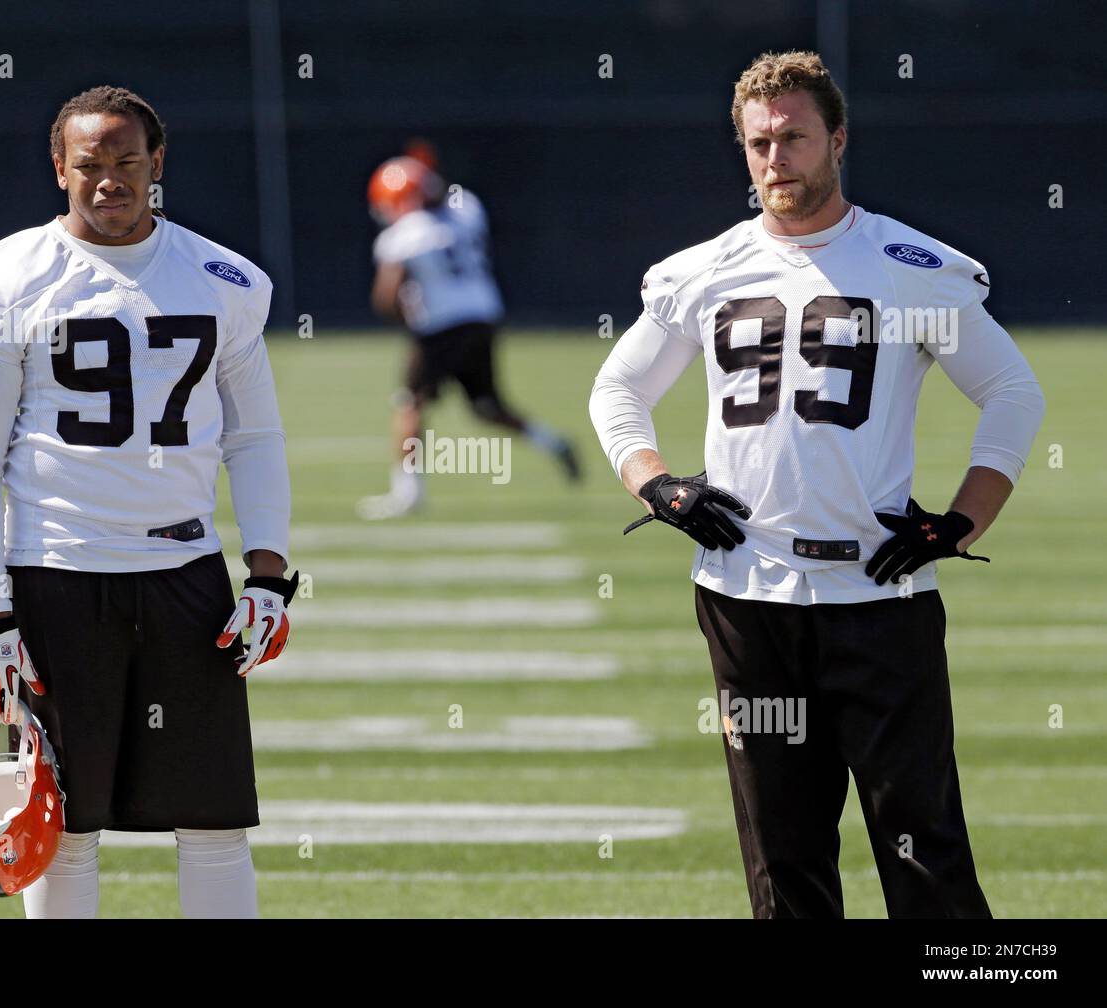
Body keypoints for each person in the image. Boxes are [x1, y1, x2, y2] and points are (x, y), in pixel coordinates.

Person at [589, 51, 1045, 918]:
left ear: (837, 139)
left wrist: (962, 522)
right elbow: (618, 388)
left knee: (925, 858)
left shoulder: (908, 264)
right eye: (759, 142)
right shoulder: (703, 270)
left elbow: (1012, 390)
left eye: (795, 138)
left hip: (880, 596)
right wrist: (655, 485)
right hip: (745, 598)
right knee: (783, 859)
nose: (776, 159)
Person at [0, 85, 297, 919]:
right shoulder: (6, 281)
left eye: (127, 162)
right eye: (89, 165)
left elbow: (256, 438)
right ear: (59, 167)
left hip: (187, 576)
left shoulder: (220, 278)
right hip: (56, 576)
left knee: (214, 822)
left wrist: (269, 573)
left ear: (156, 164)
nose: (109, 181)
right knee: (59, 826)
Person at [359, 152, 579, 519]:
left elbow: (385, 298)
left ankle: (407, 491)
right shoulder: (468, 209)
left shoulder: (402, 237)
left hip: (439, 325)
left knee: (409, 404)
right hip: (483, 315)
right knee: (487, 407)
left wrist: (408, 313)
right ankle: (553, 442)